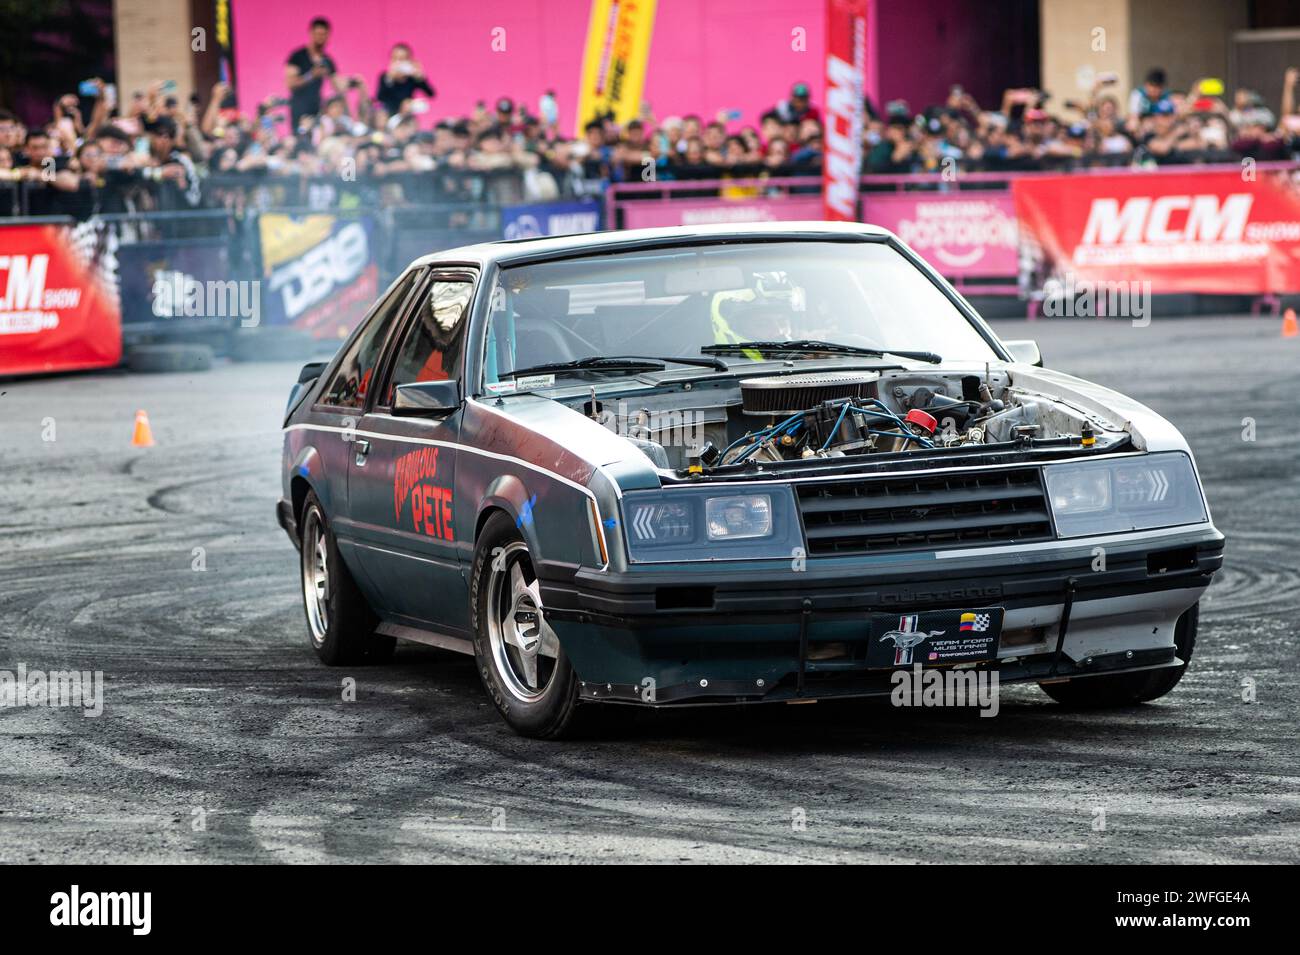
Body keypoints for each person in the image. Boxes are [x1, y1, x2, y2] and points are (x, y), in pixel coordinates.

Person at [285, 17, 340, 127]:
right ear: (311, 33)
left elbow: (337, 85)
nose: (320, 38)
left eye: (324, 34)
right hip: (299, 110)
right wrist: (311, 75)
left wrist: (354, 83)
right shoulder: (297, 57)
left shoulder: (327, 60)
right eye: (318, 34)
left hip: (317, 109)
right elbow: (290, 84)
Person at [376, 43, 434, 117]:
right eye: (395, 58)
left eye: (402, 59)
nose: (398, 62)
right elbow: (380, 98)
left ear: (409, 60)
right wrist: (390, 79)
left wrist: (420, 78)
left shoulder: (412, 78)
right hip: (389, 116)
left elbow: (430, 94)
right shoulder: (385, 77)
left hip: (407, 118)